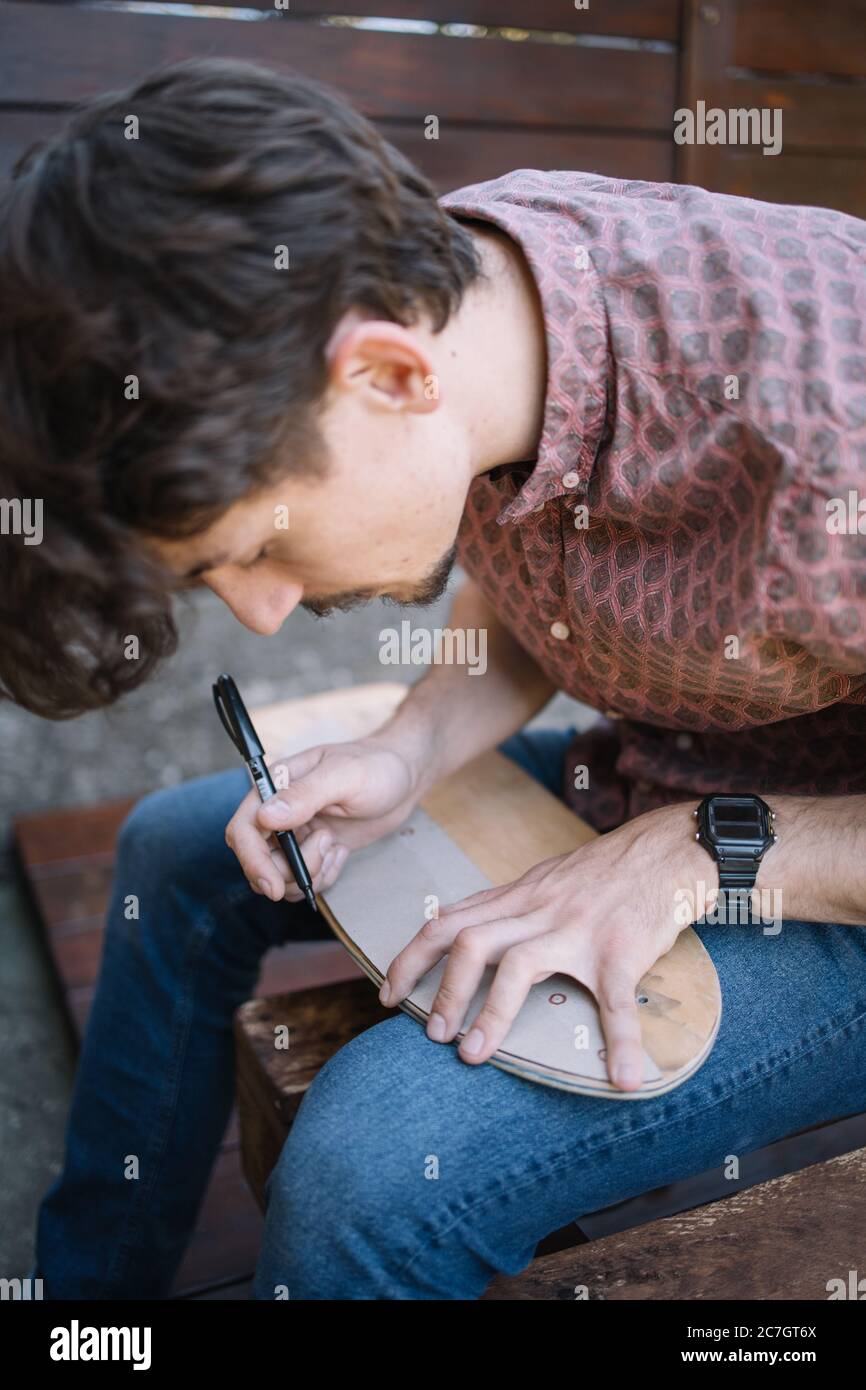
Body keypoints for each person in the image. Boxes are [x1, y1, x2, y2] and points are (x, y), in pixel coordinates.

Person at [2, 58, 865, 1300]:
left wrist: (694, 854)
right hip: (665, 782)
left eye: (255, 545)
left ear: (389, 377)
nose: (263, 606)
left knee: (368, 1168)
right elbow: (536, 587)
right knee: (173, 851)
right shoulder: (472, 305)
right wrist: (408, 748)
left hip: (818, 878)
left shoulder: (825, 420)